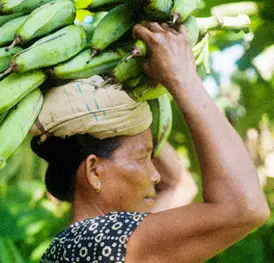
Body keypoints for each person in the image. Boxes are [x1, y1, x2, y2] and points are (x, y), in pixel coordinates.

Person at [32, 21, 270, 263]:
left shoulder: (82, 244)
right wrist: (182, 78)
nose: (156, 176)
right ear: (93, 170)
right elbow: (246, 207)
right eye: (142, 158)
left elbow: (180, 185)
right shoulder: (99, 240)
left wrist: (136, 109)